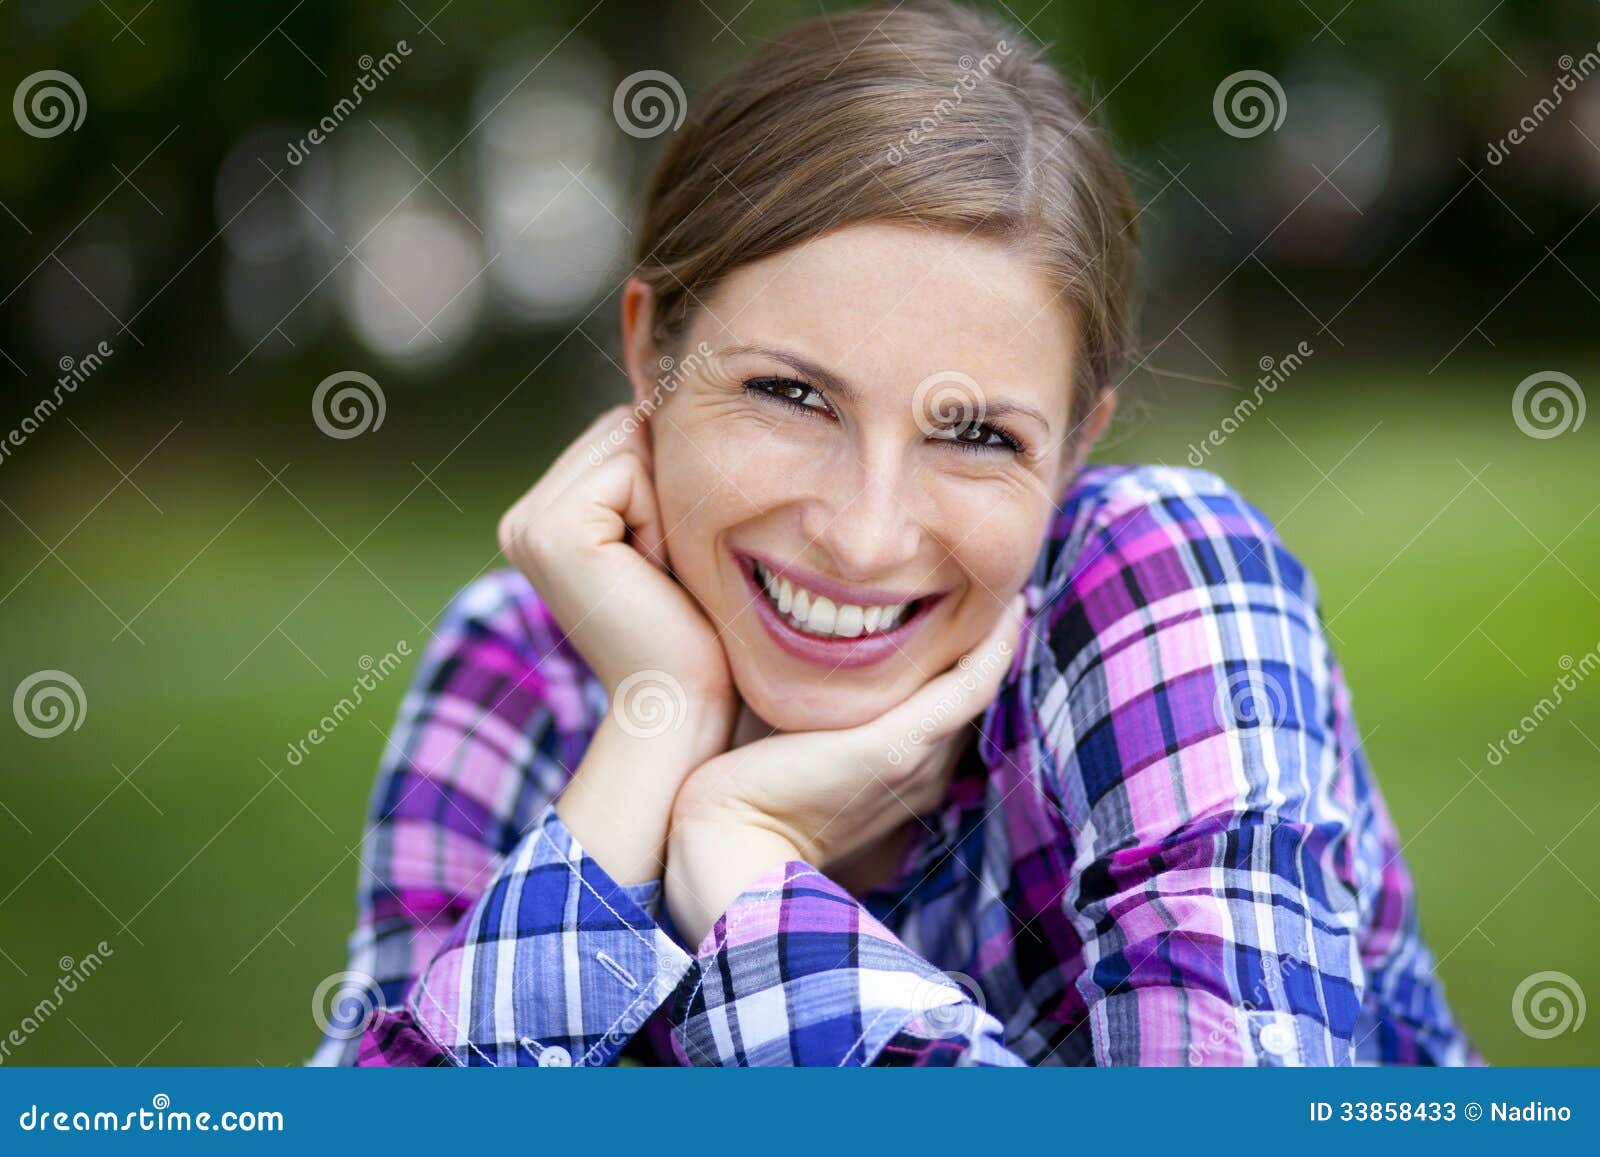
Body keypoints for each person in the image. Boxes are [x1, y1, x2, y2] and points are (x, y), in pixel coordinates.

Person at [309, 0, 1479, 1067]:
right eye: (791, 394)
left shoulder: (1158, 580)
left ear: (1074, 448)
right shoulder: (519, 665)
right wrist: (652, 715)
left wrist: (743, 868)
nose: (864, 537)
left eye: (974, 433)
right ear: (648, 355)